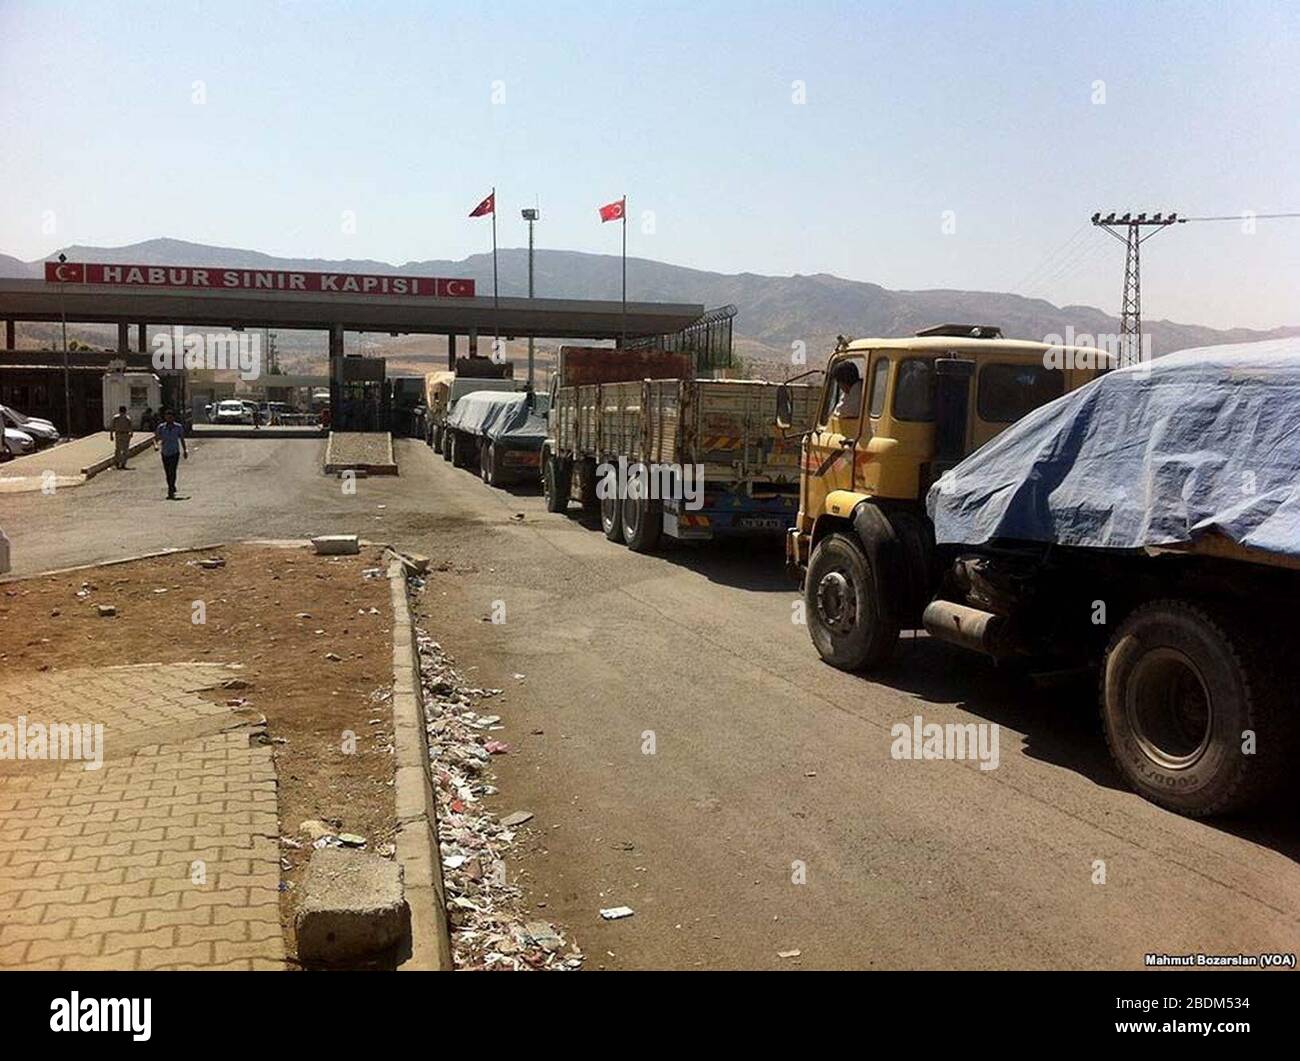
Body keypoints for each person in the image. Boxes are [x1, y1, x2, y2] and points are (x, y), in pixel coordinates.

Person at [153, 407, 188, 499]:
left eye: (170, 417)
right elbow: (155, 438)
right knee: (167, 472)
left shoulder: (178, 427)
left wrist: (185, 450)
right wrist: (156, 445)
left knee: (173, 471)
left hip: (174, 452)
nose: (169, 419)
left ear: (173, 418)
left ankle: (171, 488)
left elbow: (182, 439)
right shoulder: (161, 427)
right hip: (165, 452)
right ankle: (171, 486)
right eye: (167, 417)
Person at [108, 405, 134, 469]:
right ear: (125, 411)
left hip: (118, 434)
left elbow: (112, 427)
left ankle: (117, 462)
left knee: (118, 449)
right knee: (125, 450)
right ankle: (123, 463)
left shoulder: (116, 417)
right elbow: (131, 427)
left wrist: (111, 435)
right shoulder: (127, 418)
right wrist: (131, 433)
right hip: (125, 434)